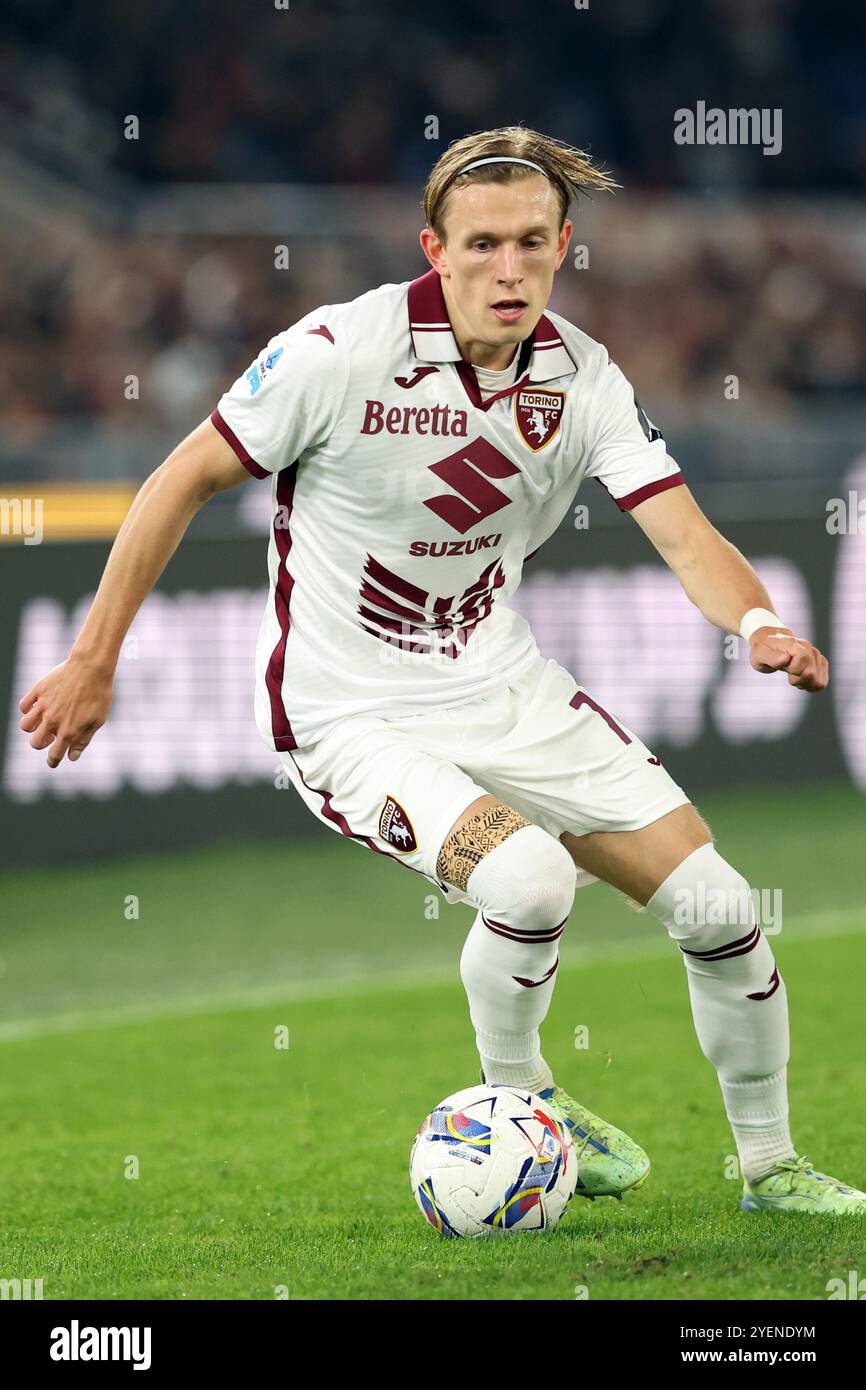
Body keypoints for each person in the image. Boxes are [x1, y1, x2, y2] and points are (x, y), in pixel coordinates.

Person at [19, 126, 863, 1215]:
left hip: (500, 684)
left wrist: (751, 620)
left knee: (718, 905)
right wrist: (94, 656)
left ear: (562, 246)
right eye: (481, 245)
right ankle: (526, 1105)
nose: (508, 269)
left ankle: (768, 1169)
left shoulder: (581, 379)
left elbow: (685, 535)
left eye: (531, 243)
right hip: (350, 712)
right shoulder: (336, 352)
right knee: (526, 881)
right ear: (435, 249)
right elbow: (179, 477)